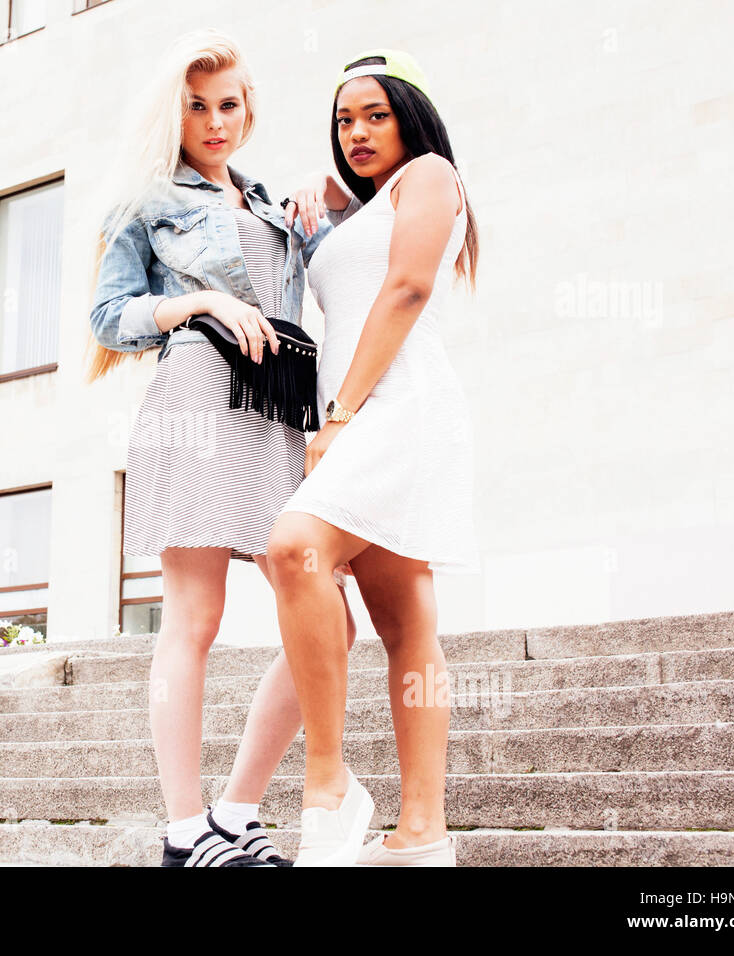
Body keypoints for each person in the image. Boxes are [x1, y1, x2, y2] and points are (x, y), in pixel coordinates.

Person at [86, 28, 357, 867]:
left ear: (249, 110)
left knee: (332, 620)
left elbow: (332, 271)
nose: (213, 120)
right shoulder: (145, 203)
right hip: (199, 394)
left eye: (227, 104)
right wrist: (195, 304)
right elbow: (108, 319)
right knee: (194, 620)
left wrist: (338, 200)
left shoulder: (274, 204)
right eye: (195, 105)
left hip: (278, 409)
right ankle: (182, 830)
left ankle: (238, 813)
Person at [268, 49, 481, 866]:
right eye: (342, 121)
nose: (355, 132)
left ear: (410, 117)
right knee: (403, 620)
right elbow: (352, 278)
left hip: (397, 406)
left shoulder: (430, 175)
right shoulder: (364, 207)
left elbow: (405, 291)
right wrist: (318, 221)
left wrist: (343, 413)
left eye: (374, 115)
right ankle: (423, 833)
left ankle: (329, 778)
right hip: (358, 406)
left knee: (293, 548)